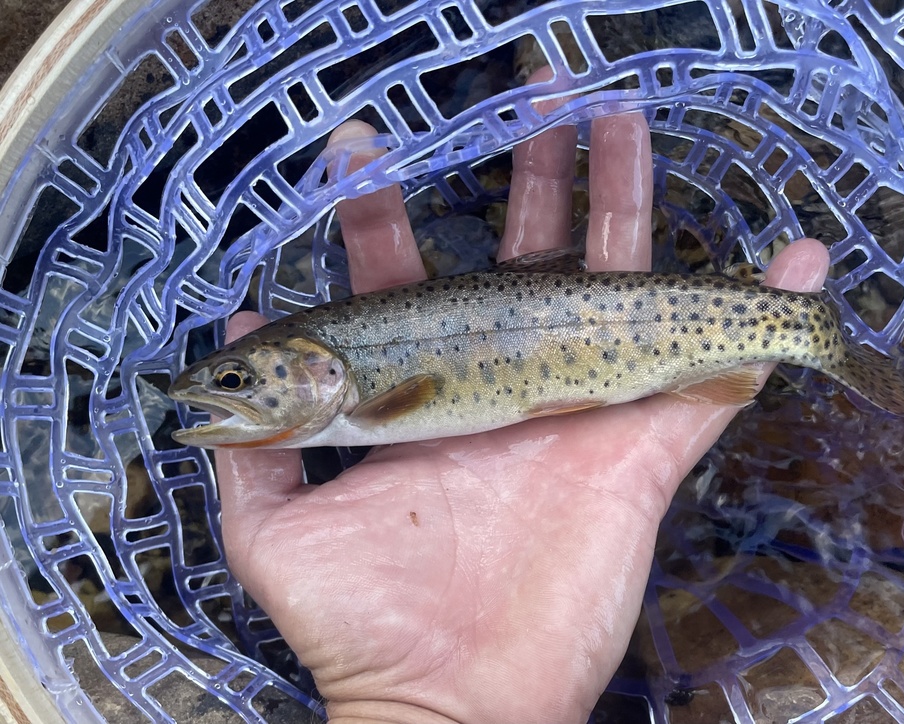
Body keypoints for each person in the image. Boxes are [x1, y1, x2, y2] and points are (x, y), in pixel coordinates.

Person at [213, 69, 830, 723]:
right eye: (233, 385)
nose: (226, 397)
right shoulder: (340, 405)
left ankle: (800, 330)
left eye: (236, 382)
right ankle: (797, 328)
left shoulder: (364, 410)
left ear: (315, 367)